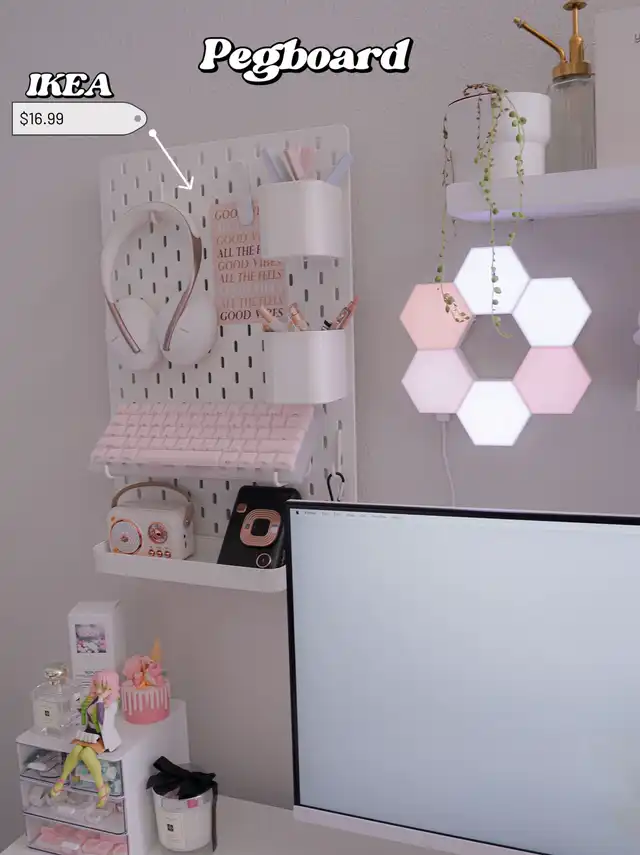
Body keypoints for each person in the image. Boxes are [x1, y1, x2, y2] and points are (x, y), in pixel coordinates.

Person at [50, 670, 121, 808]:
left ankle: (101, 788)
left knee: (86, 754)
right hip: (89, 733)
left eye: (103, 687)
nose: (99, 690)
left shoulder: (112, 704)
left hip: (103, 737)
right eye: (97, 685)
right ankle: (62, 780)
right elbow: (81, 711)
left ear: (111, 688)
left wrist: (101, 699)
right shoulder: (92, 699)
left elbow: (101, 718)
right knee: (76, 750)